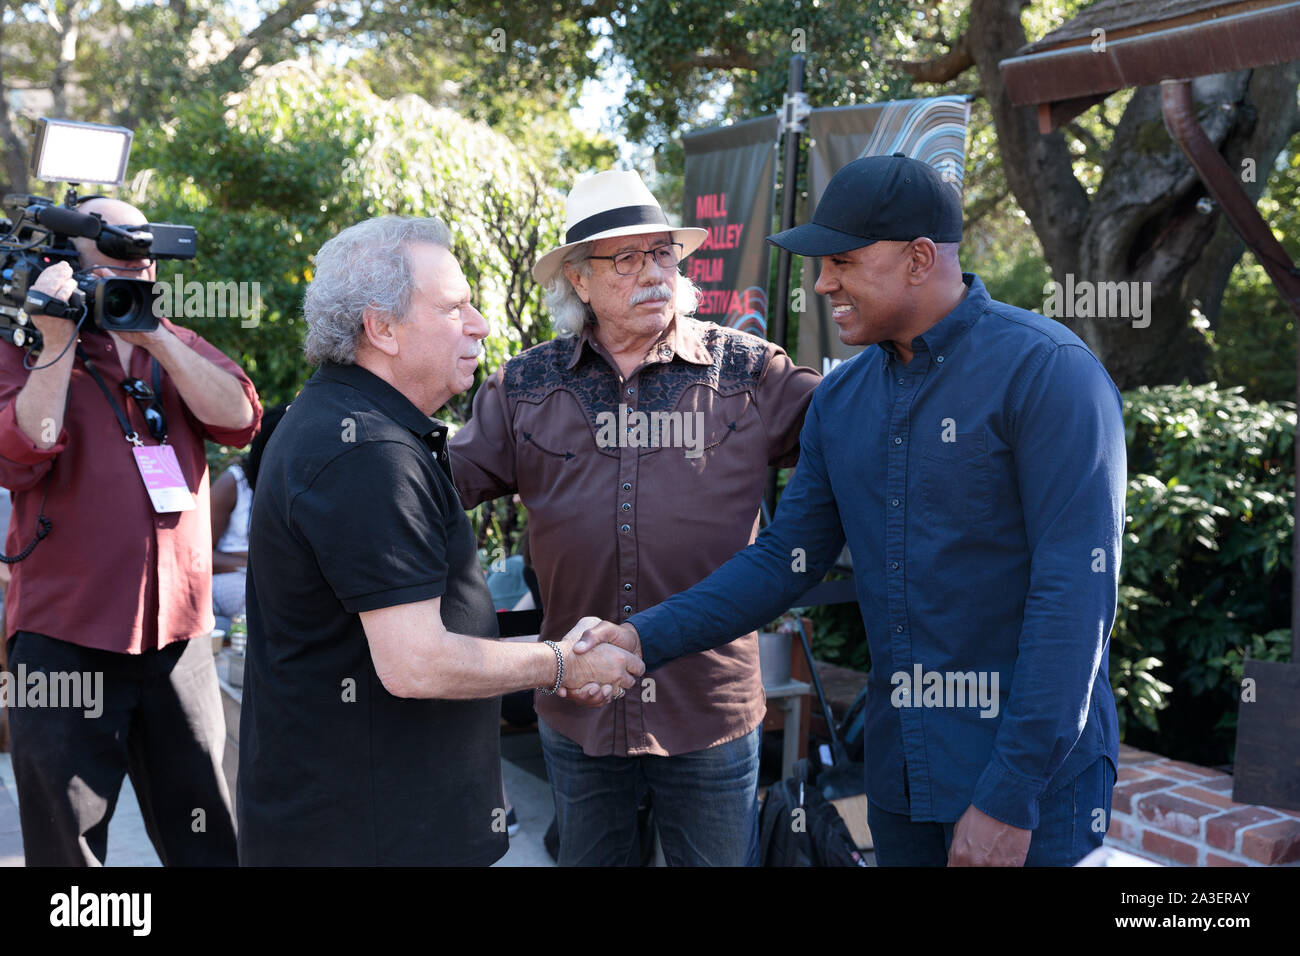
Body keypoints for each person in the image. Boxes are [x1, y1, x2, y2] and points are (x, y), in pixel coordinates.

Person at [574, 154, 1125, 867]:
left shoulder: (1050, 373)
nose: (823, 281)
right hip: (901, 775)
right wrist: (640, 639)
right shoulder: (841, 400)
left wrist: (1011, 791)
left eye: (842, 261)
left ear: (921, 258)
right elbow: (783, 559)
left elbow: (1074, 598)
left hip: (1034, 786)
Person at [236, 216, 642, 866]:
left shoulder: (336, 421)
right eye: (454, 308)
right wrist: (563, 663)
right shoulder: (365, 453)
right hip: (371, 838)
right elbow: (415, 663)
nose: (479, 324)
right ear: (382, 328)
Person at [450, 170, 821, 866]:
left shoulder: (746, 371)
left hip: (707, 711)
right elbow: (439, 487)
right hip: (577, 706)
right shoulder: (524, 386)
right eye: (624, 257)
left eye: (660, 253)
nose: (651, 272)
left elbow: (858, 430)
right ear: (579, 280)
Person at [0, 196, 262, 866]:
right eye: (116, 254)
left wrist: (155, 335)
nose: (135, 268)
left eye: (143, 256)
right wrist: (57, 345)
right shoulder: (22, 345)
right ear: (66, 259)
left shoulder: (166, 339)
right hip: (65, 637)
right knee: (67, 849)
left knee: (206, 835)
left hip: (179, 638)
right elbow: (20, 454)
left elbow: (239, 417)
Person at [210, 402, 288, 621]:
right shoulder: (234, 482)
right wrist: (252, 565)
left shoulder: (296, 484)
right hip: (234, 577)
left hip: (276, 575)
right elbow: (200, 554)